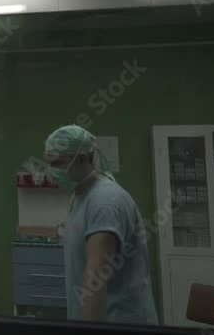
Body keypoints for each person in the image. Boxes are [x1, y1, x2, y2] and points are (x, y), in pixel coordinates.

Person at [43, 125, 158, 325]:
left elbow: (95, 281)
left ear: (81, 158)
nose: (52, 170)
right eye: (50, 163)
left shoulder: (105, 202)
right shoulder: (81, 197)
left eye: (58, 163)